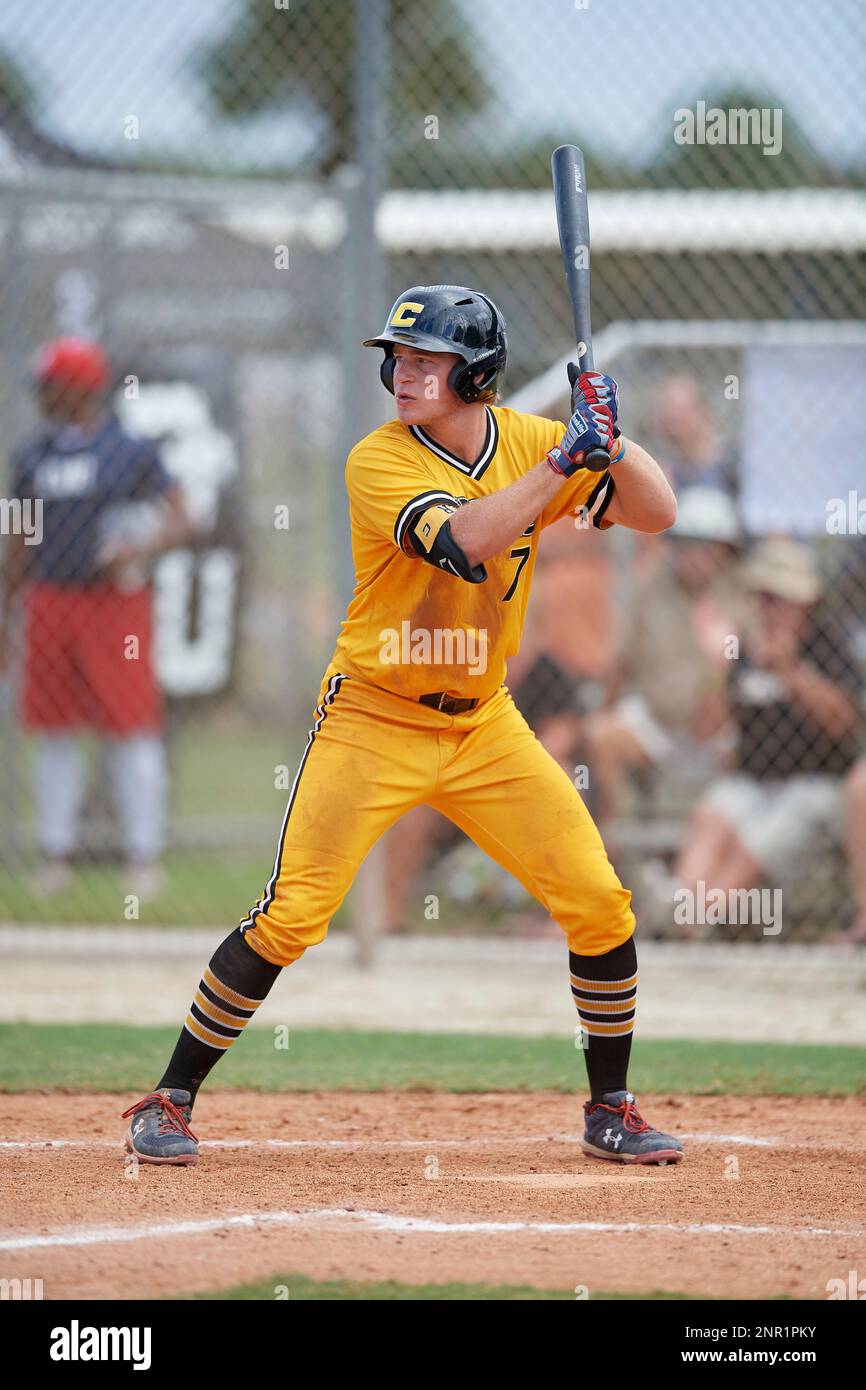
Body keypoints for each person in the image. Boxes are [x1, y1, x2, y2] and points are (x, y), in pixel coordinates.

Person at [120, 285, 683, 1168]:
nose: (403, 374)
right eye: (401, 358)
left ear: (480, 374)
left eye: (428, 361)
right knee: (293, 916)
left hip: (485, 725)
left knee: (599, 901)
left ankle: (610, 1108)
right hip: (374, 718)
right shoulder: (379, 460)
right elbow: (463, 539)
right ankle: (170, 1097)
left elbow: (658, 511)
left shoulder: (538, 444)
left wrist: (612, 436)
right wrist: (564, 461)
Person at [0, 337, 191, 899]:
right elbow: (19, 539)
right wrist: (7, 608)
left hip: (115, 605)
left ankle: (143, 859)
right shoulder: (32, 457)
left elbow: (182, 517)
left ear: (80, 389)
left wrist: (138, 548)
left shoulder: (128, 451)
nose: (41, 397)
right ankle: (55, 856)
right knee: (55, 732)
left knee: (130, 727)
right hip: (51, 600)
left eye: (51, 386)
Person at [673, 538, 863, 926]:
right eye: (762, 598)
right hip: (752, 781)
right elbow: (705, 731)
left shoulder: (826, 642)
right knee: (709, 816)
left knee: (752, 842)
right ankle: (682, 907)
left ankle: (693, 920)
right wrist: (717, 670)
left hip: (815, 783)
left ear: (803, 602)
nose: (767, 609)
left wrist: (789, 671)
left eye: (777, 599)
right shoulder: (743, 646)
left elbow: (846, 723)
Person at [585, 487, 746, 825]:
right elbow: (620, 662)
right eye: (686, 543)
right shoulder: (651, 589)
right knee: (602, 736)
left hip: (720, 727)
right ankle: (620, 844)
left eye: (705, 546)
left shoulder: (739, 597)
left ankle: (719, 838)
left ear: (723, 551)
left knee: (745, 747)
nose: (694, 555)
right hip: (657, 723)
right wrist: (605, 708)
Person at [654, 375, 739, 498]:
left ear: (704, 412)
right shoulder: (664, 471)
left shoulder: (731, 464)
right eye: (666, 411)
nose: (671, 417)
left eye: (680, 411)